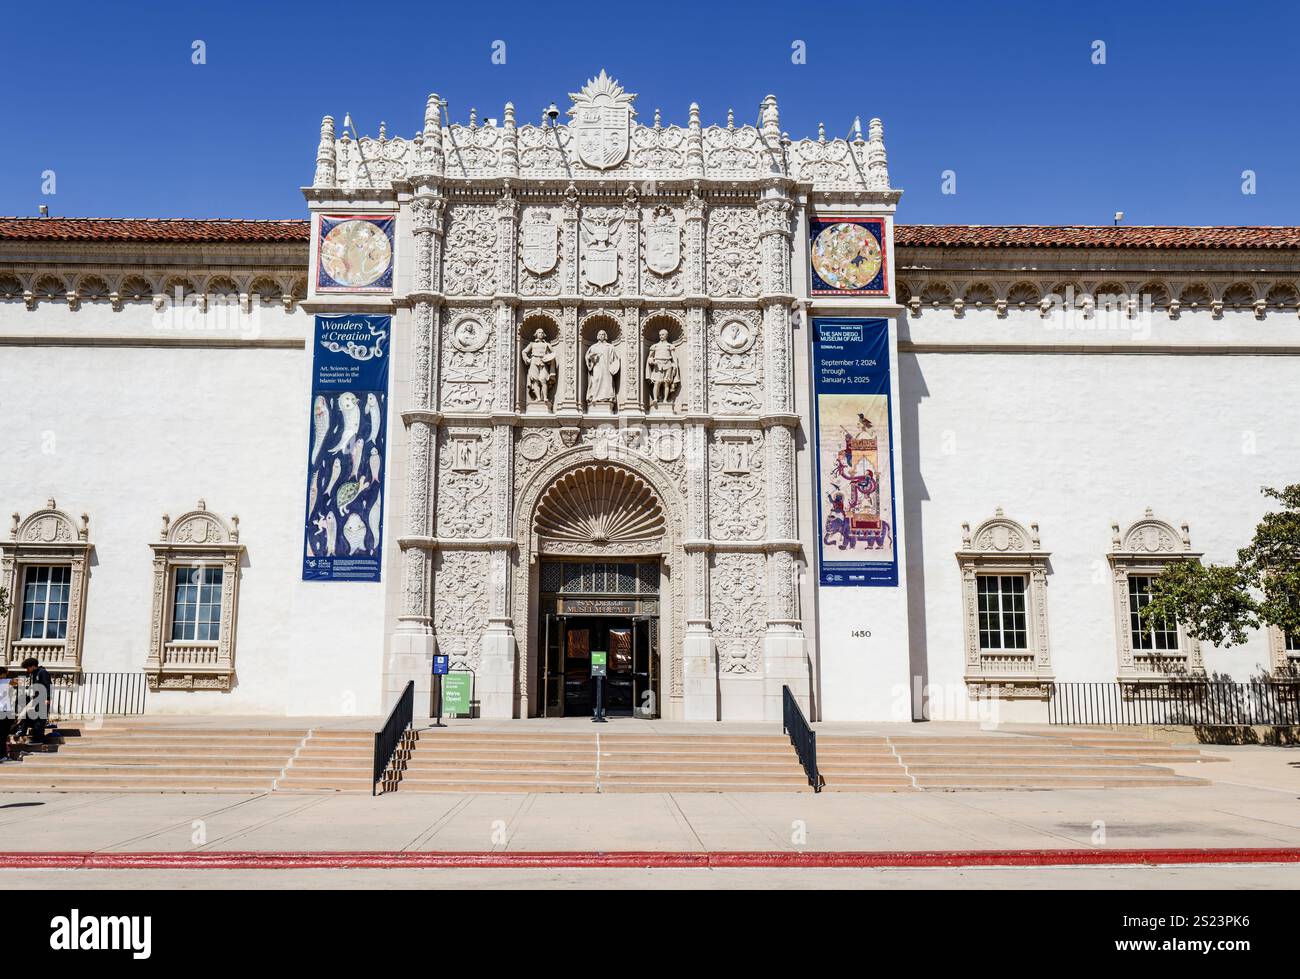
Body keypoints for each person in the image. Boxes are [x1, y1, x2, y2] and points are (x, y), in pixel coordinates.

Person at [15, 658, 51, 746]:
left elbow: (47, 686)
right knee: (28, 715)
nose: (27, 670)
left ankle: (38, 739)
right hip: (36, 699)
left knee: (40, 719)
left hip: (43, 699)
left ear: (33, 666)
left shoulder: (43, 672)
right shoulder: (34, 674)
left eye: (28, 668)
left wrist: (48, 698)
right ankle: (23, 732)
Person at [0, 668, 14, 761]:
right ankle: (2, 755)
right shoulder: (5, 681)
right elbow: (17, 682)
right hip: (4, 712)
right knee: (2, 735)